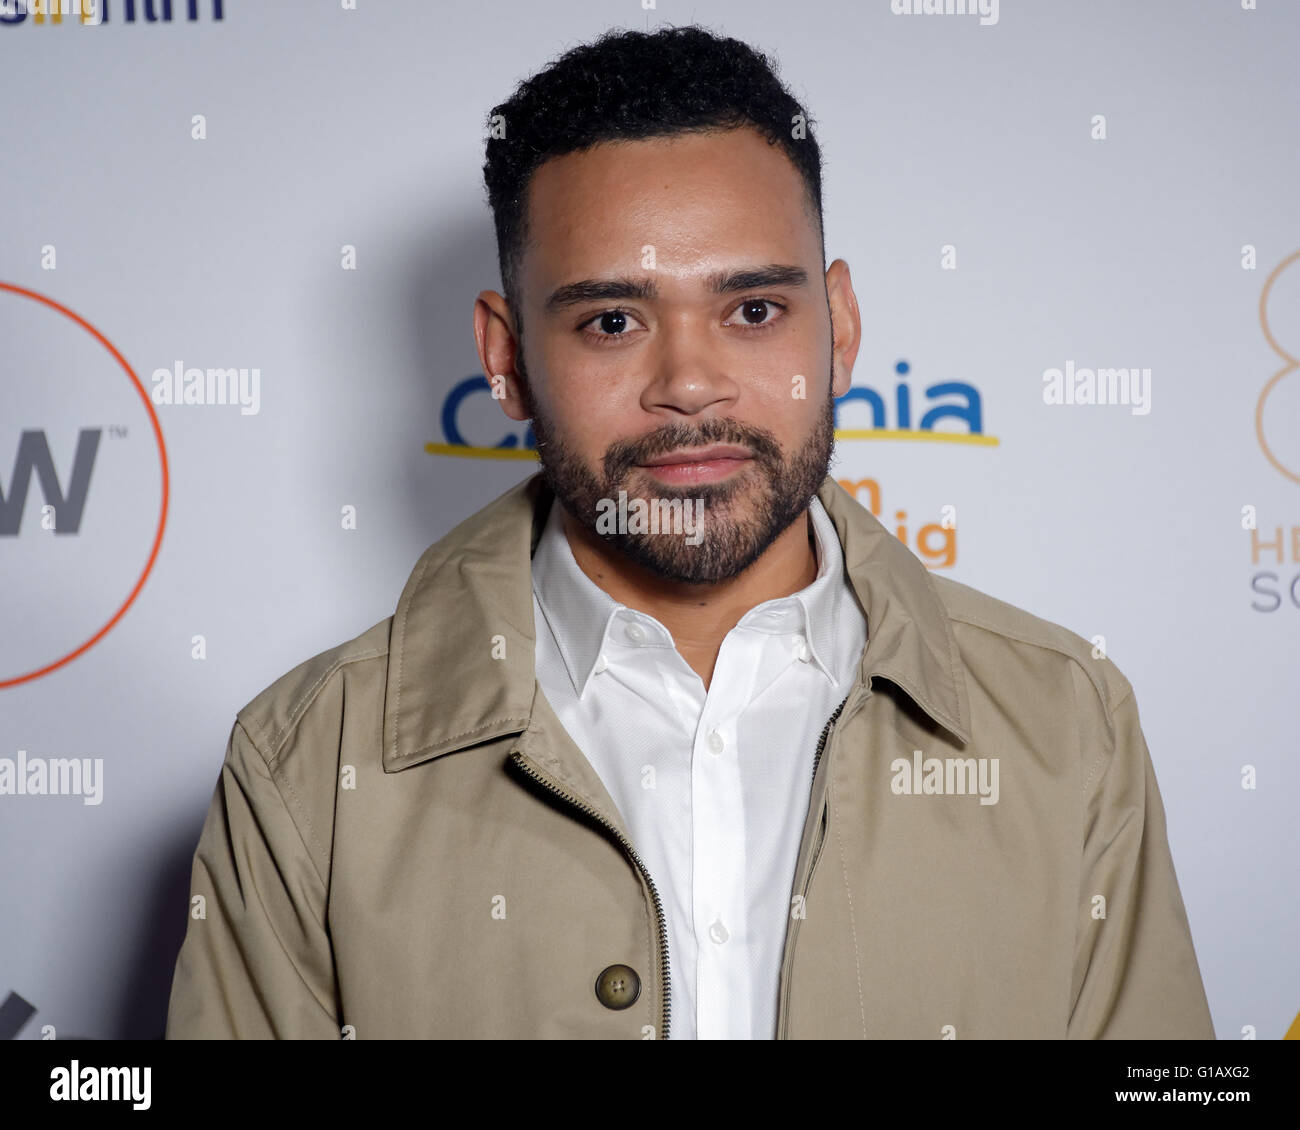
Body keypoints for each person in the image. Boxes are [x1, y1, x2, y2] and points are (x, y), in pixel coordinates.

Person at [165, 24, 1214, 1039]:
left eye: (752, 310)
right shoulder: (307, 762)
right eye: (611, 321)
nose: (690, 386)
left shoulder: (1067, 724)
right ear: (508, 357)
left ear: (839, 329)